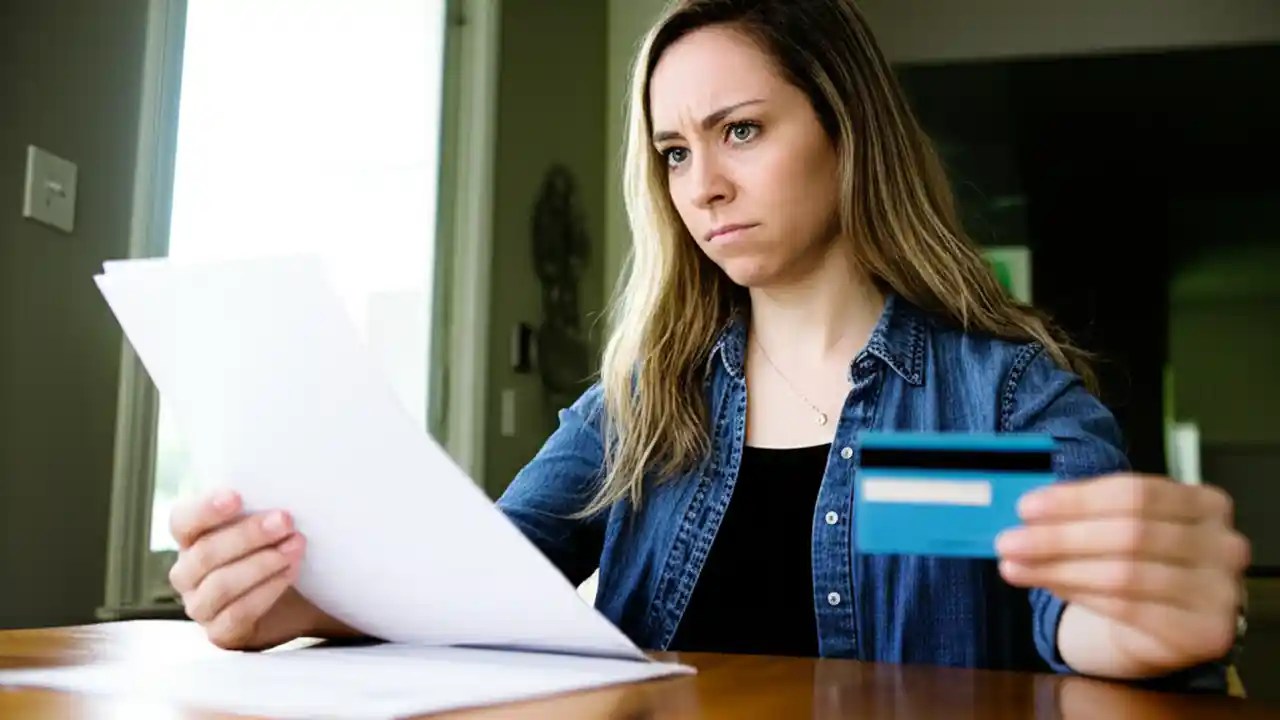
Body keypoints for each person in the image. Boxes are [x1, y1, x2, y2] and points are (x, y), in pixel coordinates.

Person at [166, 0, 1248, 693]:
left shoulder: (1006, 397)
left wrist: (1146, 623)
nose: (702, 187)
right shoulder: (640, 401)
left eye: (739, 130)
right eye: (674, 151)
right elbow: (474, 589)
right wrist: (299, 600)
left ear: (845, 129)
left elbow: (1076, 624)